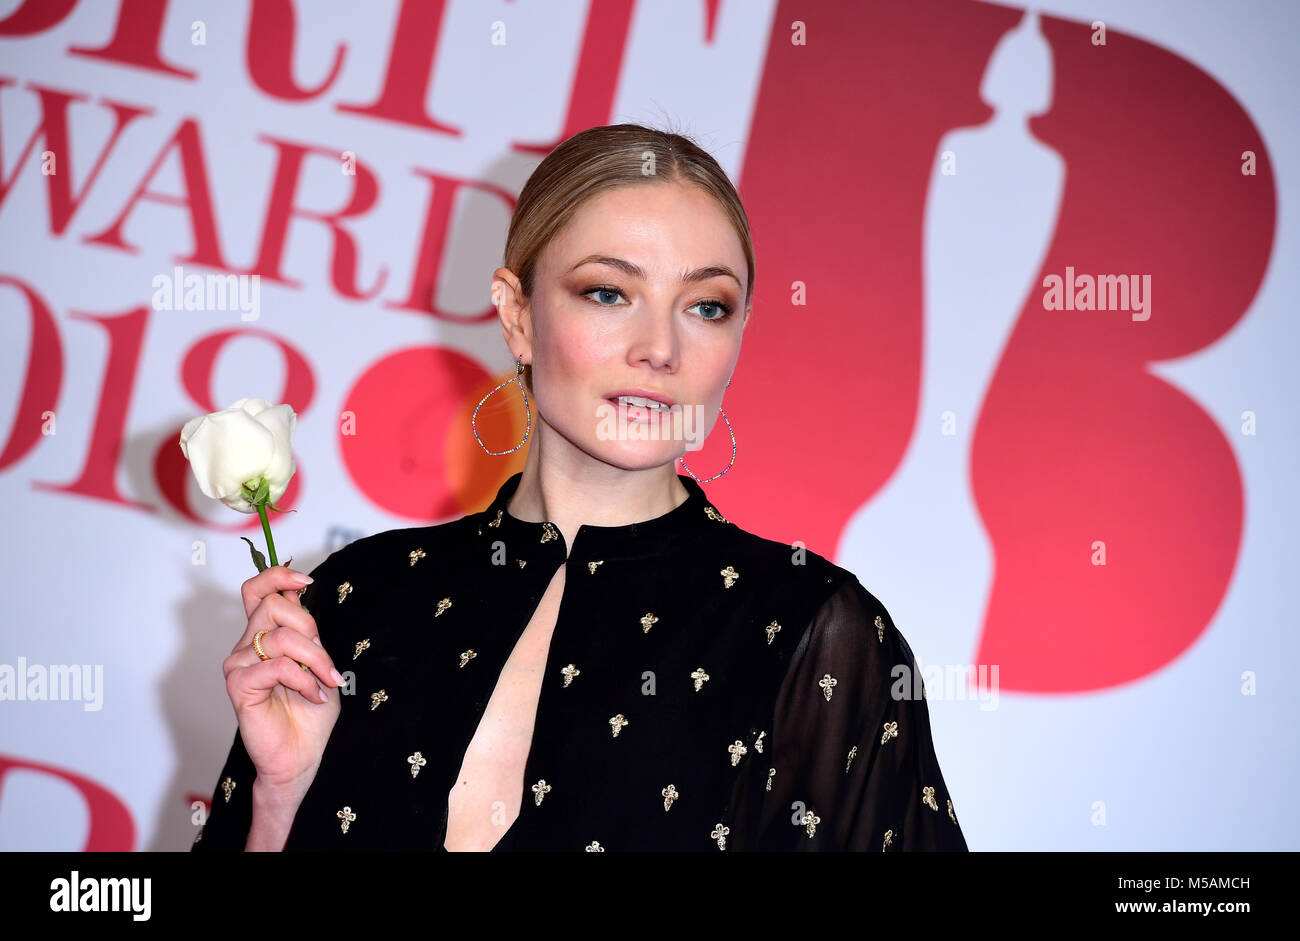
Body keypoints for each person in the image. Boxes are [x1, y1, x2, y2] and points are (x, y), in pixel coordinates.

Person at [192, 123, 968, 852]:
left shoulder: (813, 633)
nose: (660, 347)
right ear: (517, 314)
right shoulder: (360, 598)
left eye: (706, 306)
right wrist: (281, 800)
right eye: (608, 292)